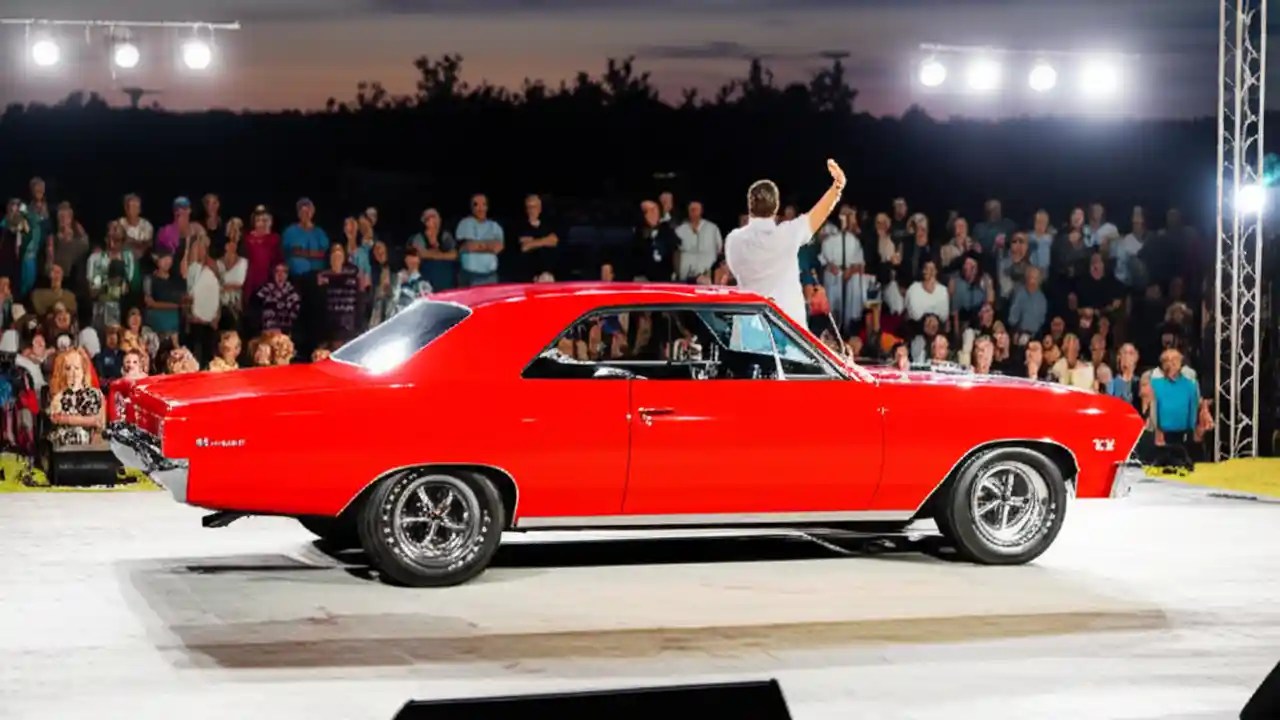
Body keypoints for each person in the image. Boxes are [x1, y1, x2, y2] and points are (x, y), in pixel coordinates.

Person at [725, 159, 846, 328]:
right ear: (777, 206)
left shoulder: (733, 240)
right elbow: (817, 214)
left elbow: (734, 270)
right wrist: (837, 187)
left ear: (749, 205)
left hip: (748, 332)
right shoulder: (788, 234)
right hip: (788, 334)